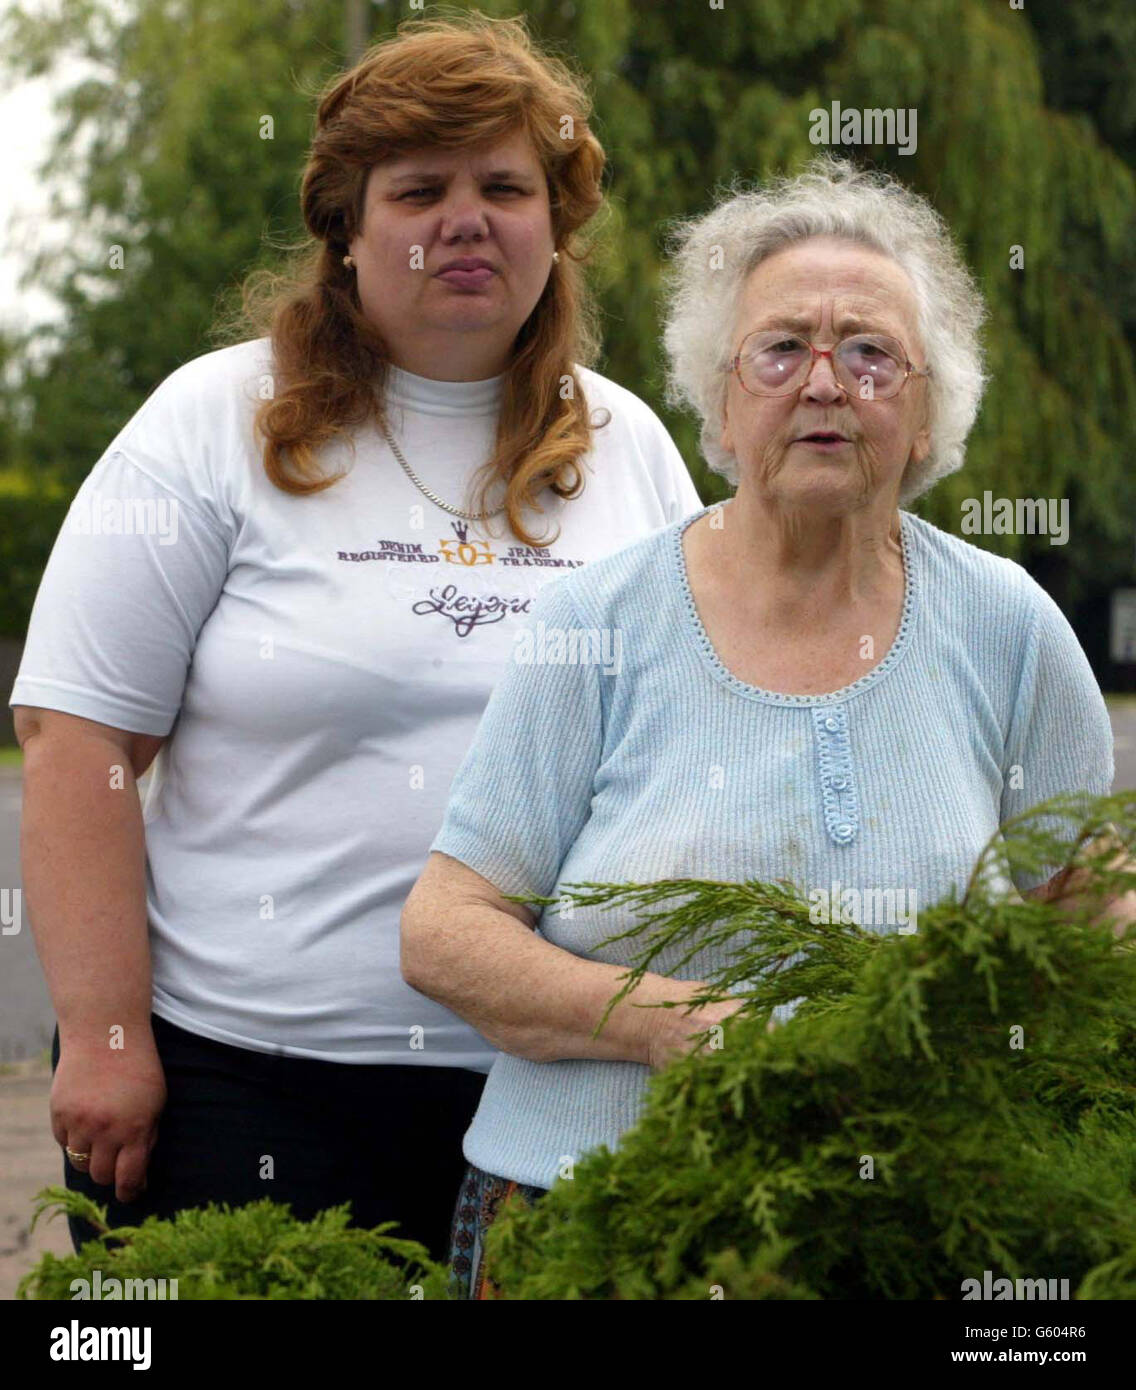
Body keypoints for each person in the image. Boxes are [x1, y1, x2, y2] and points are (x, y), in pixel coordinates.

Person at [9, 13, 701, 1264]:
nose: (466, 217)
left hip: (552, 1086)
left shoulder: (630, 446)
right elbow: (75, 733)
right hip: (245, 1084)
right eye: (418, 187)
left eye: (505, 185)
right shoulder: (212, 420)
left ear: (557, 220)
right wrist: (106, 1034)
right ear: (346, 222)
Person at [402, 154, 1118, 1298]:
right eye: (781, 349)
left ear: (929, 409)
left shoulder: (1006, 624)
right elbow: (445, 930)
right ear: (720, 403)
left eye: (870, 352)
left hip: (914, 1232)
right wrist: (667, 1024)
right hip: (593, 1221)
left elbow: (1084, 900)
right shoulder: (598, 623)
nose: (824, 384)